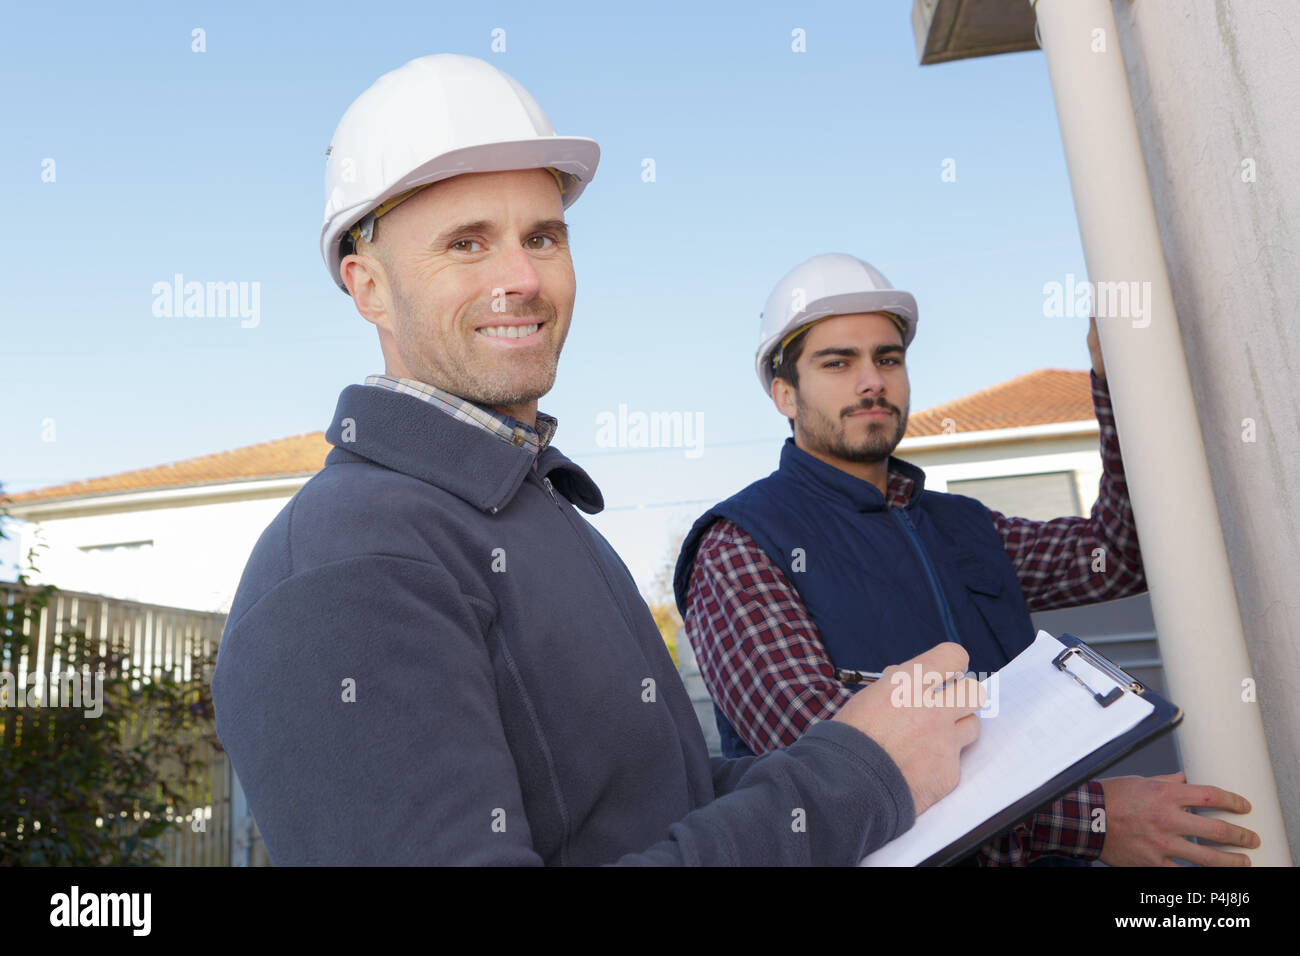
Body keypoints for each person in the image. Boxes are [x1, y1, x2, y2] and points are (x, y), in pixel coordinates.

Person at [210, 55, 987, 866]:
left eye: (542, 237)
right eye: (467, 243)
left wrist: (864, 750)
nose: (522, 278)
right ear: (368, 287)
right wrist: (854, 780)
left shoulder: (530, 507)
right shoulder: (348, 562)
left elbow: (649, 809)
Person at [674, 253, 1262, 867]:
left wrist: (1113, 378)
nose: (871, 380)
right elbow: (841, 777)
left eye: (888, 358)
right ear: (784, 394)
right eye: (838, 362)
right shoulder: (740, 544)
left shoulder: (963, 525)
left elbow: (1114, 556)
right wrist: (1090, 819)